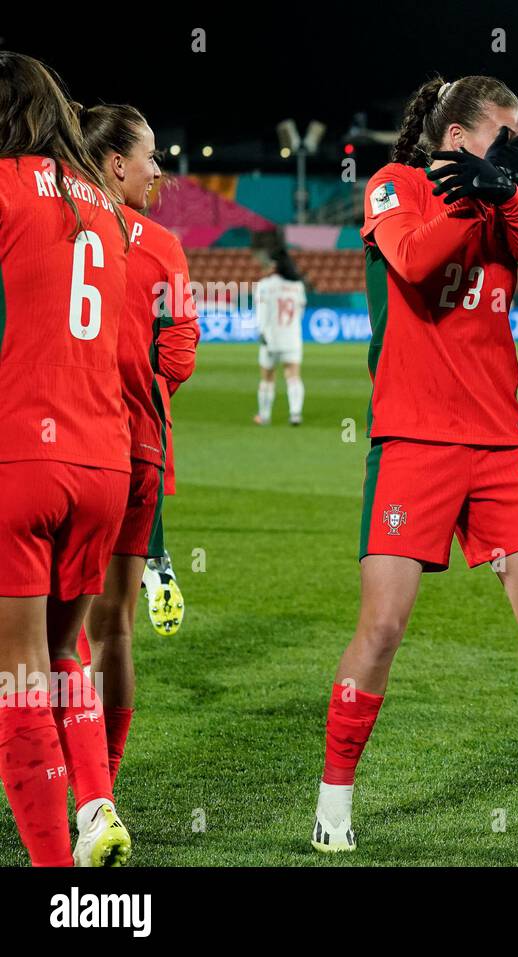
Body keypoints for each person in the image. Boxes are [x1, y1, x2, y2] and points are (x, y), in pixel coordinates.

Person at [311, 72, 518, 852]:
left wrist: (509, 196)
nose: (517, 154)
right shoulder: (394, 185)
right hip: (413, 442)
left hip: (500, 441)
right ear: (459, 139)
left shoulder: (502, 202)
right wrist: (470, 197)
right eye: (504, 139)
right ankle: (334, 802)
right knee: (382, 626)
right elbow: (416, 263)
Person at [0, 52, 133, 866]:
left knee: (14, 677)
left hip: (23, 456)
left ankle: (55, 881)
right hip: (102, 465)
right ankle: (95, 808)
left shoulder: (6, 186)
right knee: (61, 655)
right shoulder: (108, 210)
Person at [78, 104, 199, 785]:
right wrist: (138, 390)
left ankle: (45, 773)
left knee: (40, 628)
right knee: (113, 627)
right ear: (116, 163)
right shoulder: (161, 244)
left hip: (54, 442)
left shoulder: (52, 226)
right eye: (150, 157)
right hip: (134, 449)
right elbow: (180, 352)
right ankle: (101, 789)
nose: (159, 171)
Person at [253, 252, 307, 426]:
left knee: (267, 377)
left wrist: (261, 332)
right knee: (293, 376)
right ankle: (295, 414)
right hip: (292, 338)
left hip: (270, 339)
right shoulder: (297, 286)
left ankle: (264, 416)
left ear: (274, 267)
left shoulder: (264, 285)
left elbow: (261, 313)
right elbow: (301, 312)